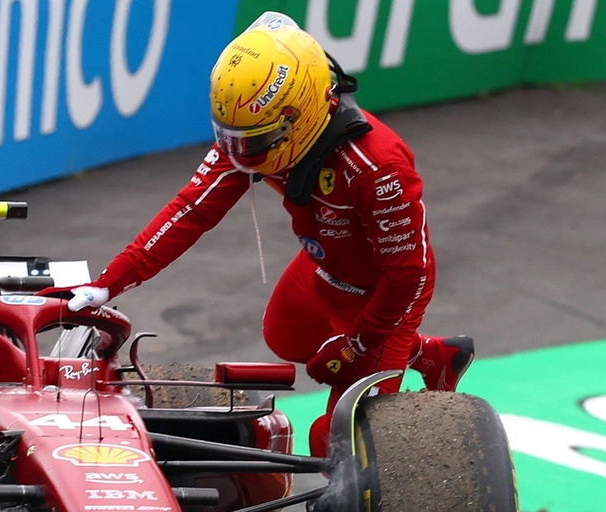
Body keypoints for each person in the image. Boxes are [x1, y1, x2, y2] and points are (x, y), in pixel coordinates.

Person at [55, 12, 473, 457]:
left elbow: (409, 276)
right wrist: (106, 283)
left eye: (252, 142)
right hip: (326, 266)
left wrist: (358, 345)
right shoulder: (257, 139)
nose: (238, 155)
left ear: (300, 114)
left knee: (338, 447)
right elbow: (190, 210)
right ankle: (432, 356)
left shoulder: (378, 168)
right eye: (229, 139)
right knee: (284, 335)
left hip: (386, 297)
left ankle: (399, 366)